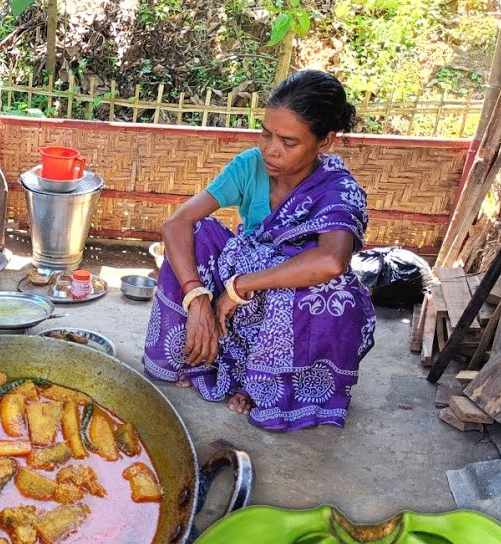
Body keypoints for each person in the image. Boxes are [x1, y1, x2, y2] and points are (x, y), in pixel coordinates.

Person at [141, 70, 376, 431]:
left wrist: (241, 286)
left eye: (288, 141)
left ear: (324, 142)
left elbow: (331, 260)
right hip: (239, 288)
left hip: (283, 295)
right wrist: (198, 297)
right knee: (197, 234)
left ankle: (265, 384)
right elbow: (176, 225)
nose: (271, 149)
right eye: (266, 134)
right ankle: (199, 355)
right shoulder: (250, 166)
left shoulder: (336, 188)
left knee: (332, 292)